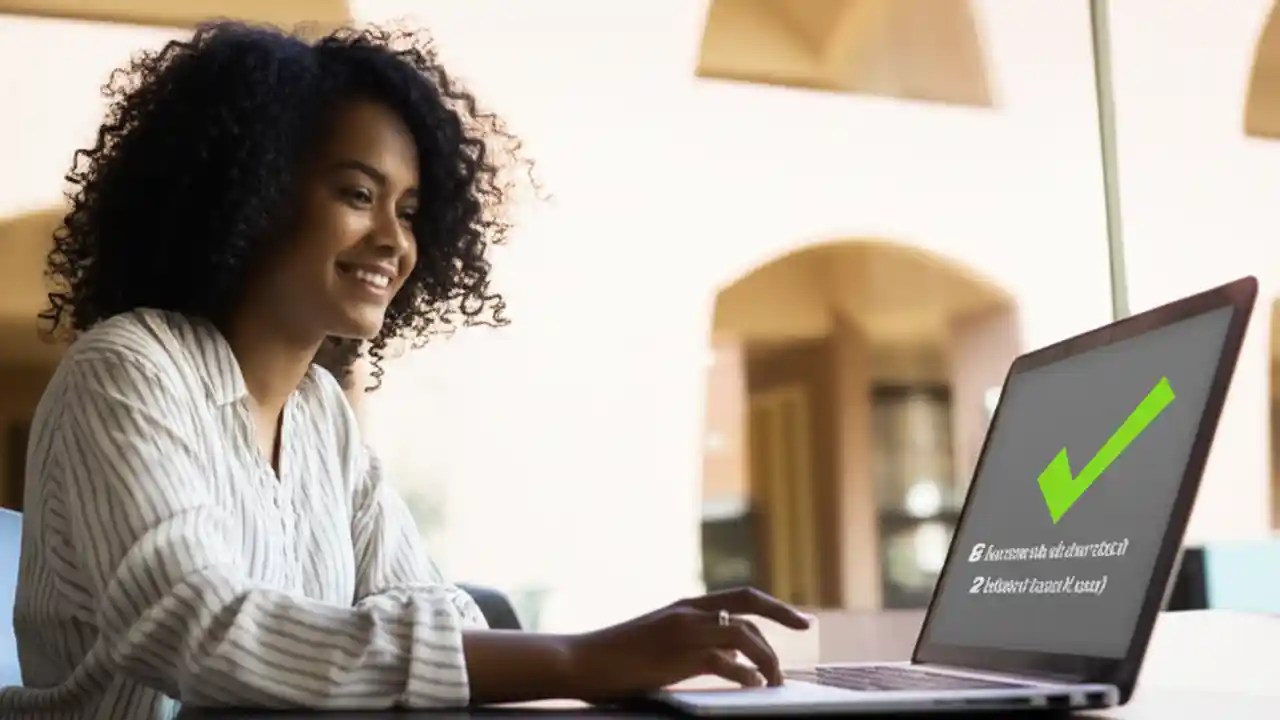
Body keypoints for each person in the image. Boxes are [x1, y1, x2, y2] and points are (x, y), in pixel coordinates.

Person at [0, 21, 810, 720]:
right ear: (250, 195)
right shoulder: (127, 368)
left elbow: (432, 606)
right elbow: (197, 631)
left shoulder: (319, 415)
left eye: (411, 211)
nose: (395, 240)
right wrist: (580, 658)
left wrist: (633, 646)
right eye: (358, 193)